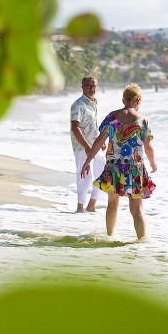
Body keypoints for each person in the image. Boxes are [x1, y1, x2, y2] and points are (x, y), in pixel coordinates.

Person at [81, 83, 157, 238]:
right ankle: (141, 243)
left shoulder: (112, 117)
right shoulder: (142, 120)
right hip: (135, 168)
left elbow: (98, 140)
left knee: (112, 204)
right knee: (137, 210)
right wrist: (153, 163)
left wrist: (88, 160)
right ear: (138, 101)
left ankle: (110, 237)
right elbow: (148, 147)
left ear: (124, 100)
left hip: (113, 167)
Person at [70, 75, 107, 212]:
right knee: (85, 175)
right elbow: (75, 127)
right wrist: (86, 146)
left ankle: (91, 205)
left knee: (103, 172)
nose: (91, 88)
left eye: (94, 86)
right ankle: (80, 207)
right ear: (82, 87)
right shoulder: (78, 105)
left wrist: (100, 140)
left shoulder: (94, 103)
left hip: (95, 145)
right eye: (88, 86)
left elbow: (94, 125)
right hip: (82, 146)